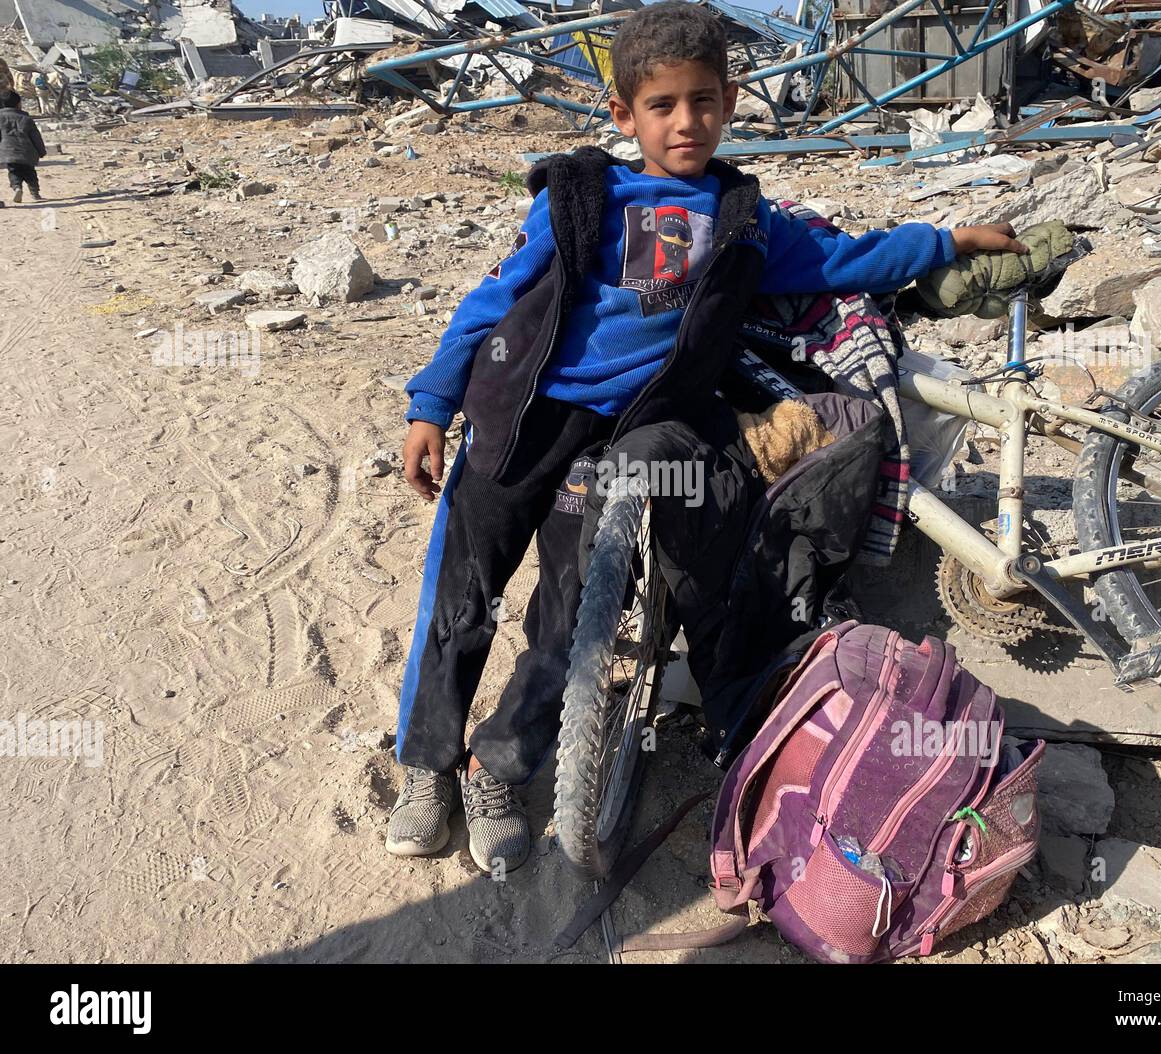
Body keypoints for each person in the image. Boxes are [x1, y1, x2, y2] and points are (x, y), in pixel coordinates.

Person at [389, 1, 1026, 873]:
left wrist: (943, 240)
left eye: (702, 101)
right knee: (464, 593)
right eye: (662, 106)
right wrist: (432, 404)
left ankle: (497, 769)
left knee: (570, 610)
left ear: (729, 102)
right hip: (524, 415)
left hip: (624, 433)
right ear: (624, 115)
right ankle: (424, 766)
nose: (685, 122)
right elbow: (490, 303)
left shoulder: (743, 217)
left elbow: (841, 258)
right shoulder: (584, 198)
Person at [0, 90, 46, 203]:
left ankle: (17, 188)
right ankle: (35, 193)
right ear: (19, 104)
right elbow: (36, 137)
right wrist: (41, 151)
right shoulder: (26, 119)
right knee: (30, 173)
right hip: (27, 152)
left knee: (14, 172)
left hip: (8, 153)